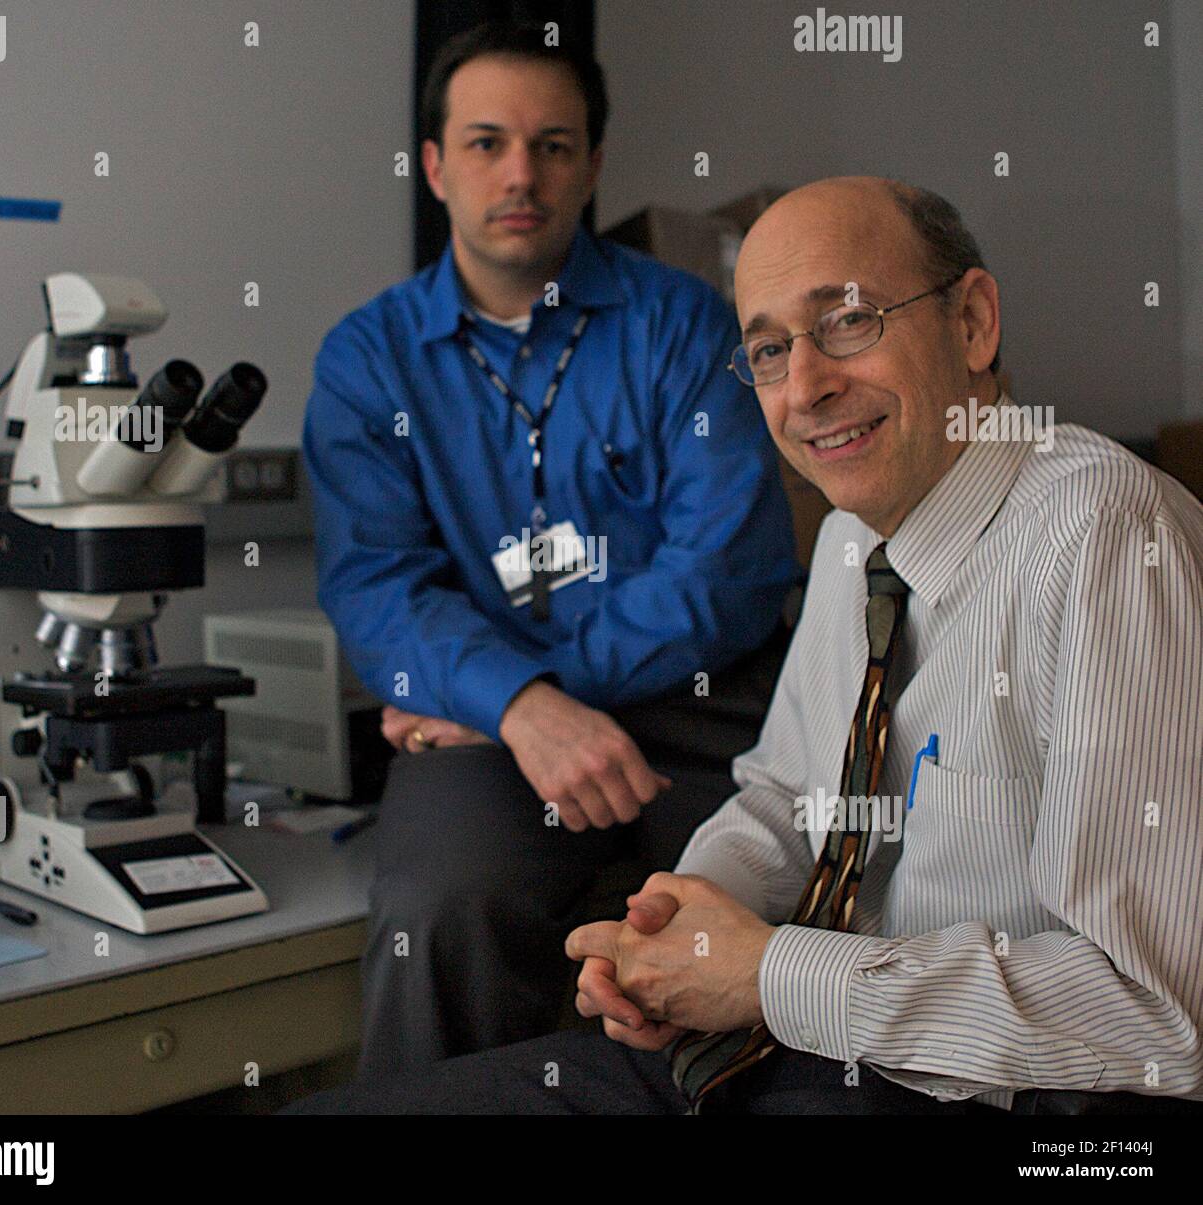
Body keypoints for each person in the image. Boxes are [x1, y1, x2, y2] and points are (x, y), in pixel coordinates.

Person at [285, 175, 1203, 1115]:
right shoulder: (858, 535)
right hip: (809, 1049)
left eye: (848, 321)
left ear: (971, 322)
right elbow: (784, 799)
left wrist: (771, 973)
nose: (805, 388)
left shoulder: (1108, 542)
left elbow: (1163, 1016)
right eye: (769, 350)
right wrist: (678, 924)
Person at [301, 22, 798, 1076]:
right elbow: (378, 589)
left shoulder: (685, 324)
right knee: (437, 909)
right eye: (486, 143)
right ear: (435, 166)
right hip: (485, 726)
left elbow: (728, 573)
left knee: (762, 917)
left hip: (691, 704)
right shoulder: (367, 360)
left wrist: (536, 694)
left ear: (593, 164)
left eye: (553, 145)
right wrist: (520, 711)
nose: (519, 173)